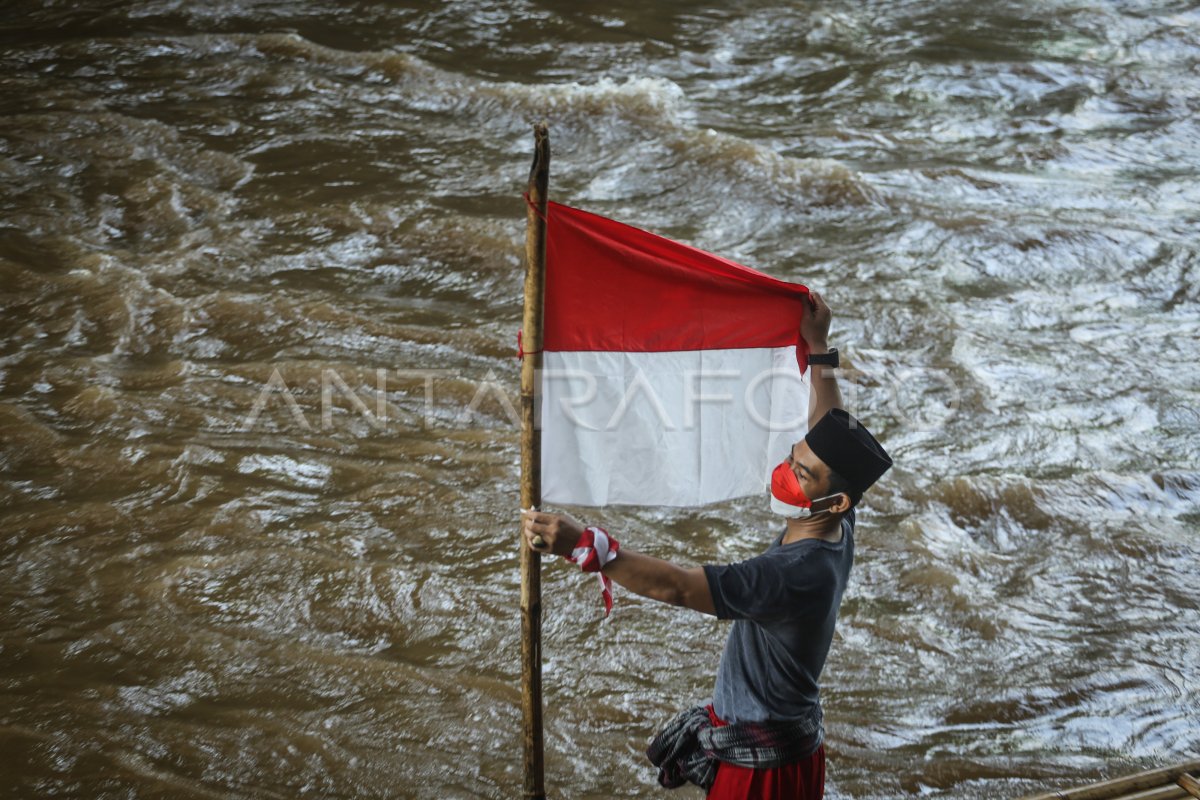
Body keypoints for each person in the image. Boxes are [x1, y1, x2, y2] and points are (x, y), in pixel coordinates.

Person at [521, 291, 892, 799]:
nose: (784, 472)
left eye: (800, 473)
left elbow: (678, 588)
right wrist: (820, 348)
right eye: (791, 457)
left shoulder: (790, 573)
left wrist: (585, 545)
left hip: (762, 774)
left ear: (836, 500)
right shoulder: (834, 527)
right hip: (793, 744)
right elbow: (822, 436)